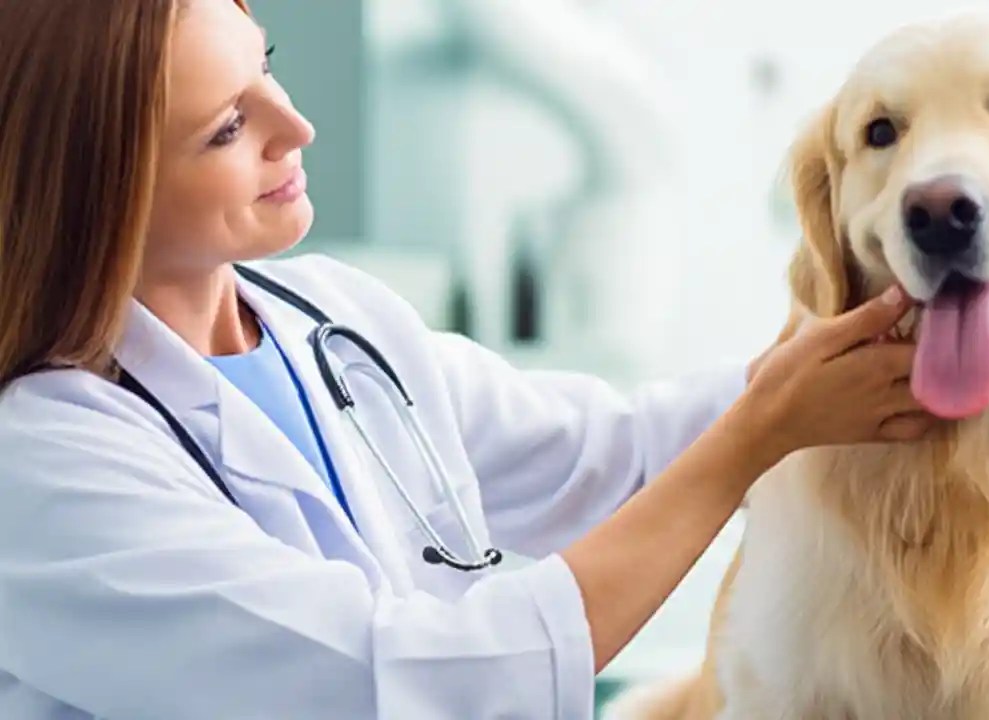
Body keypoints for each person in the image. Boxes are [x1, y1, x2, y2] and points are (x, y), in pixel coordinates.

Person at [0, 1, 933, 718]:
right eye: (228, 127)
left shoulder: (332, 314)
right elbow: (403, 680)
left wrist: (804, 364)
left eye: (268, 70)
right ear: (101, 190)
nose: (295, 125)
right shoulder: (42, 466)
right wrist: (753, 440)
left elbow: (597, 453)